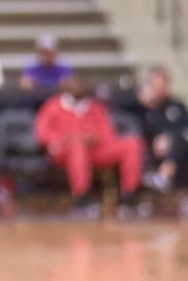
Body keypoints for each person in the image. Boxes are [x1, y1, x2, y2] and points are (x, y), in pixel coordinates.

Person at [33, 73, 143, 217]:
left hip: (94, 149)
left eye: (79, 83)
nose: (77, 87)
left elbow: (107, 133)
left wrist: (90, 137)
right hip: (65, 150)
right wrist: (70, 138)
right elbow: (42, 134)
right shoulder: (53, 106)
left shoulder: (96, 108)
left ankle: (130, 199)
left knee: (132, 144)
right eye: (72, 83)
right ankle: (82, 201)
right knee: (77, 146)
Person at [134, 67, 188, 200]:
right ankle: (160, 176)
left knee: (178, 139)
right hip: (152, 149)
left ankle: (164, 175)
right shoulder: (143, 108)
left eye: (163, 85)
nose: (160, 89)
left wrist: (168, 137)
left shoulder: (177, 105)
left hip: (181, 149)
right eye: (157, 86)